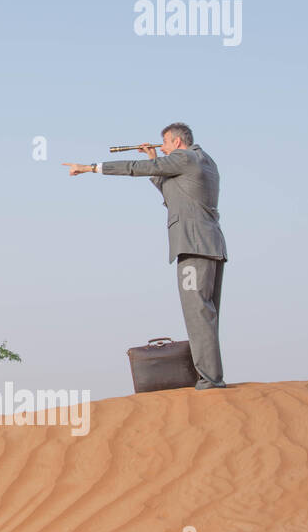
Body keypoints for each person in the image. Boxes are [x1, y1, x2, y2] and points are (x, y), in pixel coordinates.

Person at [62, 122, 228, 390]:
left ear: (176, 142)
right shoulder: (204, 161)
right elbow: (175, 193)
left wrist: (90, 168)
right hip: (212, 246)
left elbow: (134, 169)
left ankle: (210, 379)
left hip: (193, 245)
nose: (161, 147)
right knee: (206, 314)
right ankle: (210, 375)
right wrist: (156, 160)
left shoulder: (184, 157)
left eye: (164, 143)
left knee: (197, 313)